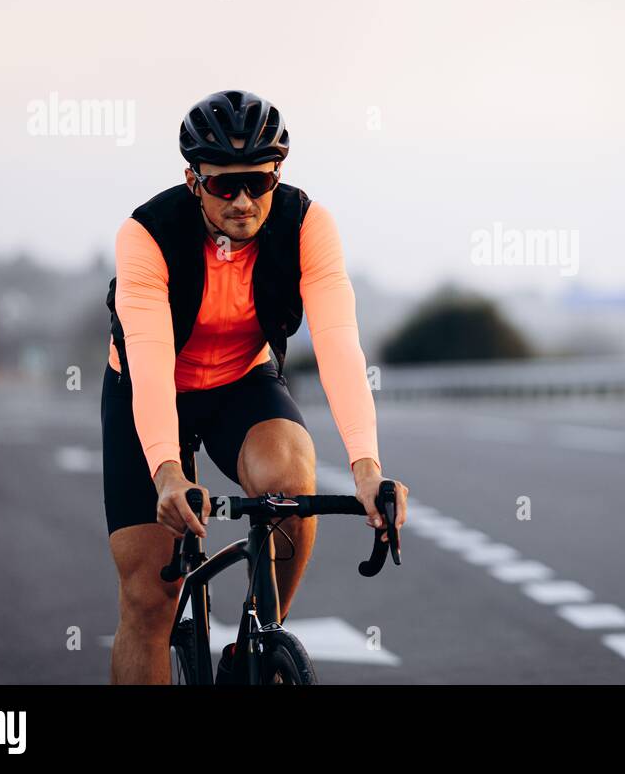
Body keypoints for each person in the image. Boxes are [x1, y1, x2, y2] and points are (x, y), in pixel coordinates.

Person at [100, 89, 407, 684]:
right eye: (224, 186)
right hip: (149, 384)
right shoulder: (148, 235)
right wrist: (167, 472)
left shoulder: (305, 224)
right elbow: (150, 356)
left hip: (241, 378)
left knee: (290, 477)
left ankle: (258, 642)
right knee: (148, 600)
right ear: (194, 180)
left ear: (278, 175)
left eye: (259, 183)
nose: (243, 201)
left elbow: (340, 343)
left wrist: (368, 468)